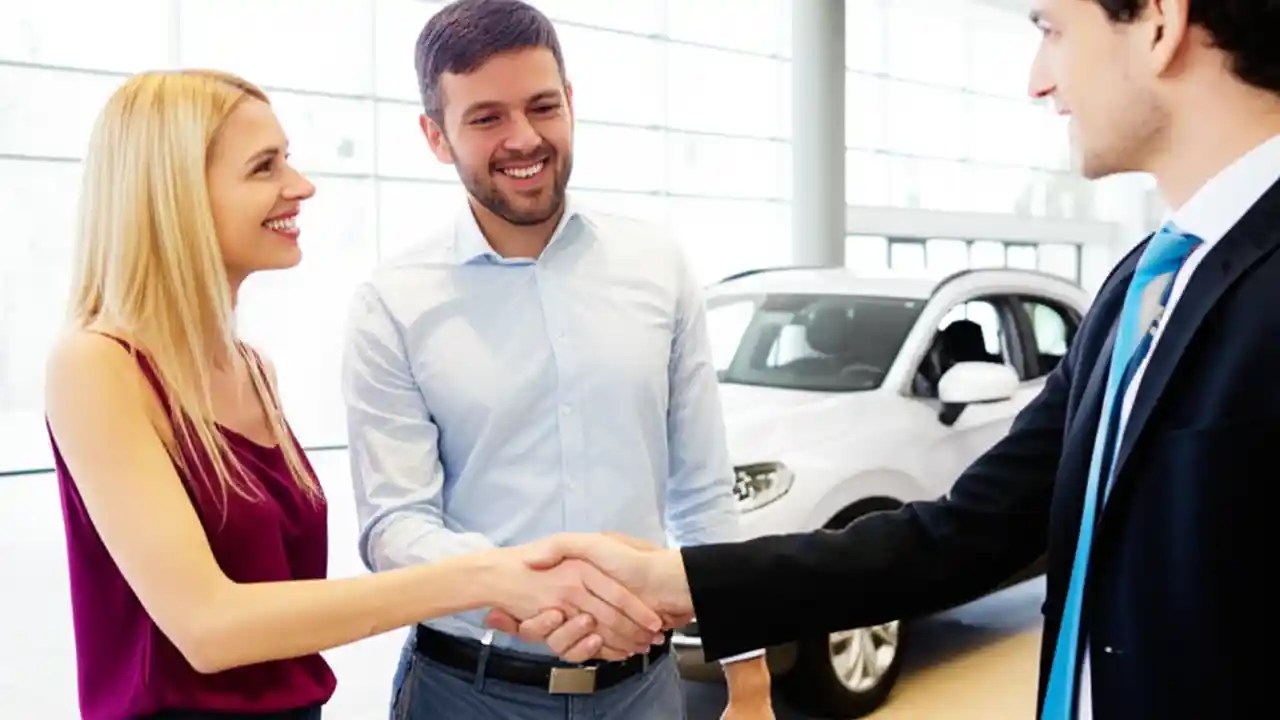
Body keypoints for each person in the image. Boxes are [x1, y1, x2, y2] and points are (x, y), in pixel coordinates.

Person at [498, 1, 1280, 718]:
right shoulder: (1141, 285)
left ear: (1159, 22)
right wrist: (678, 582)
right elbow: (965, 534)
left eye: (1052, 29)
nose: (1039, 80)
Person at [43, 68, 663, 720]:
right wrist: (487, 576)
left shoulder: (251, 370)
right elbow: (208, 627)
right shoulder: (98, 367)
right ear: (174, 195)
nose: (300, 185)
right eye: (264, 167)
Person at [339, 0, 773, 717]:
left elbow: (703, 494)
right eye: (486, 118)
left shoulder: (657, 266)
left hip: (644, 692)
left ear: (571, 101)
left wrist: (750, 685)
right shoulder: (394, 303)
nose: (525, 138)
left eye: (543, 106)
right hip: (467, 692)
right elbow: (396, 526)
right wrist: (531, 590)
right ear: (436, 137)